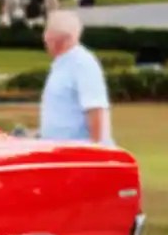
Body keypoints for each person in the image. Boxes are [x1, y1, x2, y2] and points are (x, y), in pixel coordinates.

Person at [39, 10, 113, 145]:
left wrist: (95, 149)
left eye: (49, 33)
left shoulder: (82, 63)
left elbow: (95, 109)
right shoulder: (62, 64)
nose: (45, 37)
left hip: (79, 154)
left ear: (62, 39)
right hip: (59, 151)